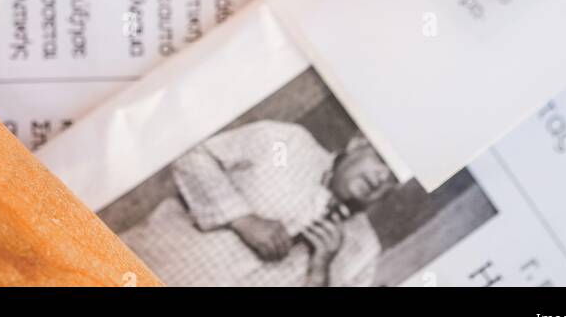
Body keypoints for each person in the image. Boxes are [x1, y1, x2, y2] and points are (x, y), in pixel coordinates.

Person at [122, 119, 394, 287]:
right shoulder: (288, 142)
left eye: (394, 178)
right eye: (382, 160)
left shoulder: (365, 253)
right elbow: (195, 156)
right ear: (359, 142)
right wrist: (241, 218)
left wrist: (319, 272)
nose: (382, 177)